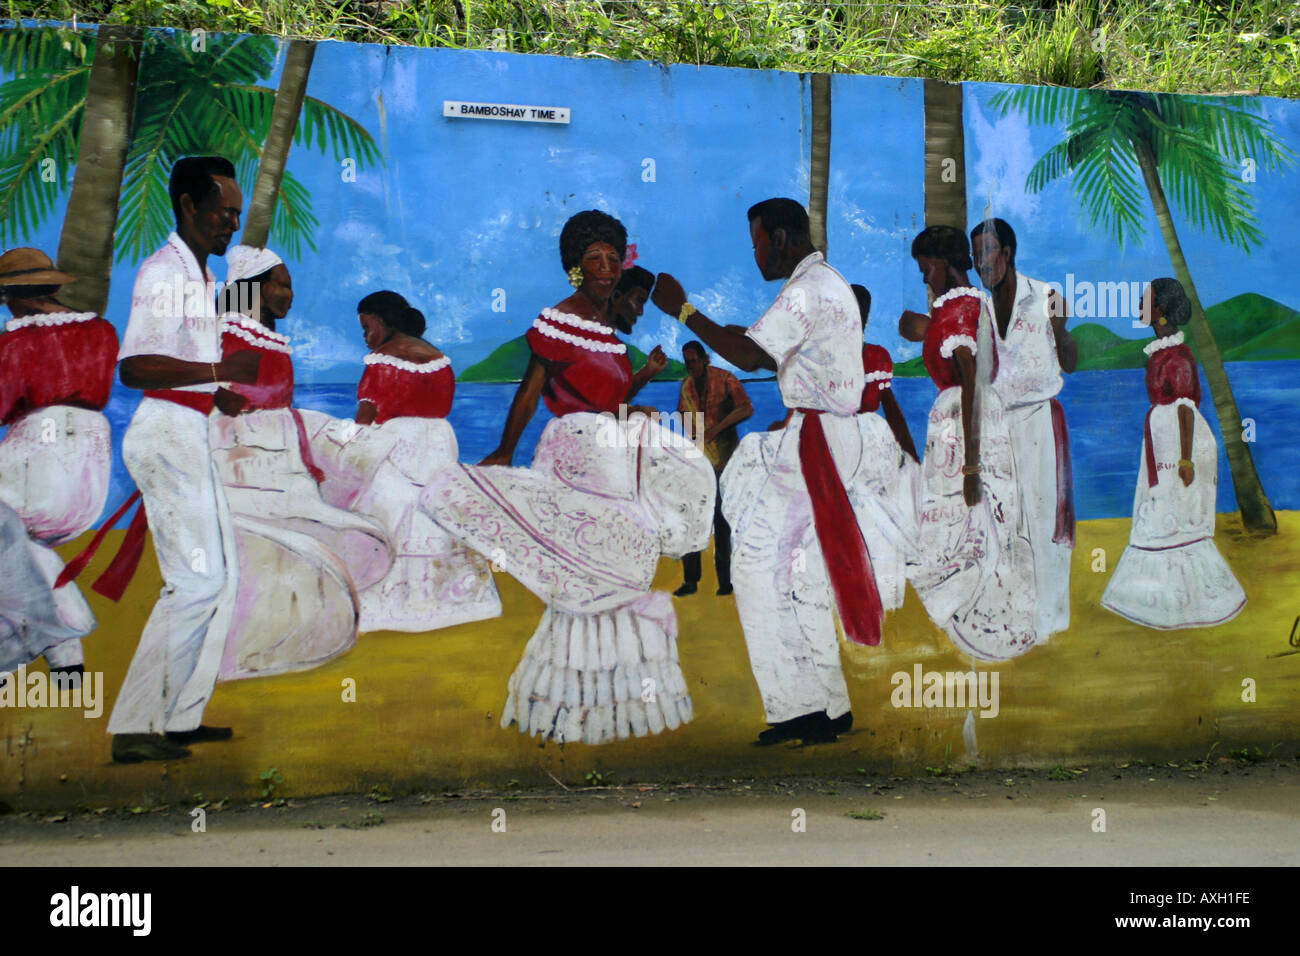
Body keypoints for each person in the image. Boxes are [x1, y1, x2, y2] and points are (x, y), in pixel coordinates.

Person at [422, 209, 715, 746]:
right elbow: (533, 390)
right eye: (593, 260)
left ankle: (607, 706)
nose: (605, 269)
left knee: (619, 560)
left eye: (611, 258)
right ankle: (569, 705)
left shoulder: (607, 331)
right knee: (595, 563)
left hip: (611, 452)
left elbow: (608, 398)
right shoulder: (558, 319)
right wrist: (505, 450)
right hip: (576, 452)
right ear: (575, 270)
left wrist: (635, 407)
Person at [652, 197, 879, 747]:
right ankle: (828, 708)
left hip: (815, 440)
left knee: (755, 565)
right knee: (799, 579)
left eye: (755, 243)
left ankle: (801, 706)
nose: (754, 254)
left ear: (779, 238)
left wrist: (684, 311)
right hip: (831, 434)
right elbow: (776, 350)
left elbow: (752, 357)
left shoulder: (805, 291)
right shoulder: (830, 283)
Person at [106, 156, 257, 764]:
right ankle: (136, 726)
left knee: (222, 582)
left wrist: (214, 392)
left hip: (190, 427)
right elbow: (134, 367)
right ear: (189, 207)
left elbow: (177, 366)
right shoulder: (163, 273)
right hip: (165, 436)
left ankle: (179, 716)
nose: (230, 223)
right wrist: (218, 371)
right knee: (196, 581)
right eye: (222, 211)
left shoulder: (200, 277)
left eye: (237, 214)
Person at [207, 246, 392, 678]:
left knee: (297, 548)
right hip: (240, 459)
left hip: (279, 456)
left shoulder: (266, 338)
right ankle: (238, 646)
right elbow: (204, 388)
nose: (290, 295)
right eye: (282, 285)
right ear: (254, 287)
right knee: (260, 548)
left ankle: (275, 640)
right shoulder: (221, 332)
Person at [298, 290, 501, 633]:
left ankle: (382, 596)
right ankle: (450, 597)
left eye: (366, 327)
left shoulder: (382, 360)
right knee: (433, 510)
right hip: (438, 444)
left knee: (380, 506)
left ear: (381, 321)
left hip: (397, 444)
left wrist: (338, 445)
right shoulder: (440, 360)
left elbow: (365, 417)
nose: (364, 337)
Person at [898, 225, 1037, 661]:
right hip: (973, 419)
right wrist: (925, 329)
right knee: (982, 523)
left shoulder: (958, 309)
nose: (925, 279)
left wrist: (971, 466)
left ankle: (977, 615)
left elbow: (971, 379)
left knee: (964, 519)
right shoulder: (971, 304)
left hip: (964, 423)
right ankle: (983, 609)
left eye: (927, 270)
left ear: (945, 264)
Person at [1101, 279, 1246, 628]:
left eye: (1145, 300)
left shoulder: (1177, 355)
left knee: (1172, 515)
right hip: (1163, 437)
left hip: (1180, 442)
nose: (1139, 305)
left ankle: (1195, 601)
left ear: (1161, 309)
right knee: (1159, 511)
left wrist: (1184, 459)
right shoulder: (1161, 351)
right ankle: (1160, 598)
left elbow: (1184, 408)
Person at [0, 249, 116, 679]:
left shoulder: (13, 342)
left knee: (11, 543)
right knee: (28, 549)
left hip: (38, 456)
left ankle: (35, 647)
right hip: (88, 471)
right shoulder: (102, 332)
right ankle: (68, 663)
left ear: (19, 297)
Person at [971, 218, 1076, 641]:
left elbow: (1070, 361)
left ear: (1007, 252)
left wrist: (1060, 330)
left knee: (1044, 515)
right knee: (1005, 521)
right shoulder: (978, 308)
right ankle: (1016, 617)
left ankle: (1049, 620)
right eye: (975, 256)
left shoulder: (1046, 296)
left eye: (988, 252)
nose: (982, 263)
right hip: (998, 426)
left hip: (1038, 421)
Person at [673, 340, 752, 597]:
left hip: (725, 459)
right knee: (691, 516)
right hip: (699, 458)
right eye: (686, 362)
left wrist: (716, 430)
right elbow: (684, 420)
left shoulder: (726, 378)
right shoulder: (685, 386)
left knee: (722, 519)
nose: (689, 367)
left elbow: (746, 408)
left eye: (693, 361)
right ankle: (690, 580)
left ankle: (725, 582)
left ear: (705, 359)